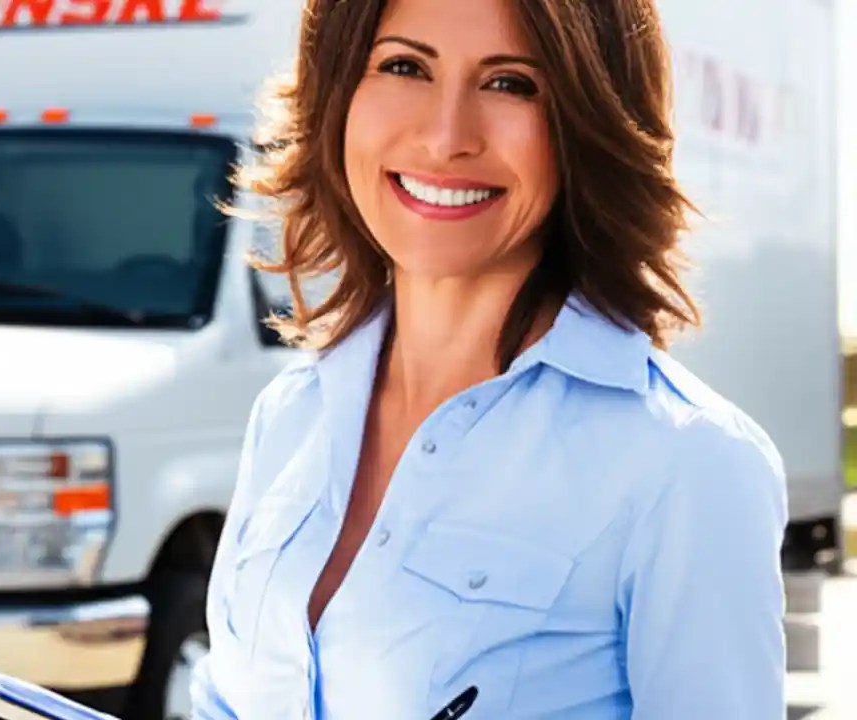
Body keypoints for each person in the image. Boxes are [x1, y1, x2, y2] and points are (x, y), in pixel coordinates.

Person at [190, 0, 788, 718]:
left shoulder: (685, 462)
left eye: (511, 84)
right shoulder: (290, 415)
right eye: (405, 67)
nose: (446, 139)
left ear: (586, 123)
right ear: (340, 91)